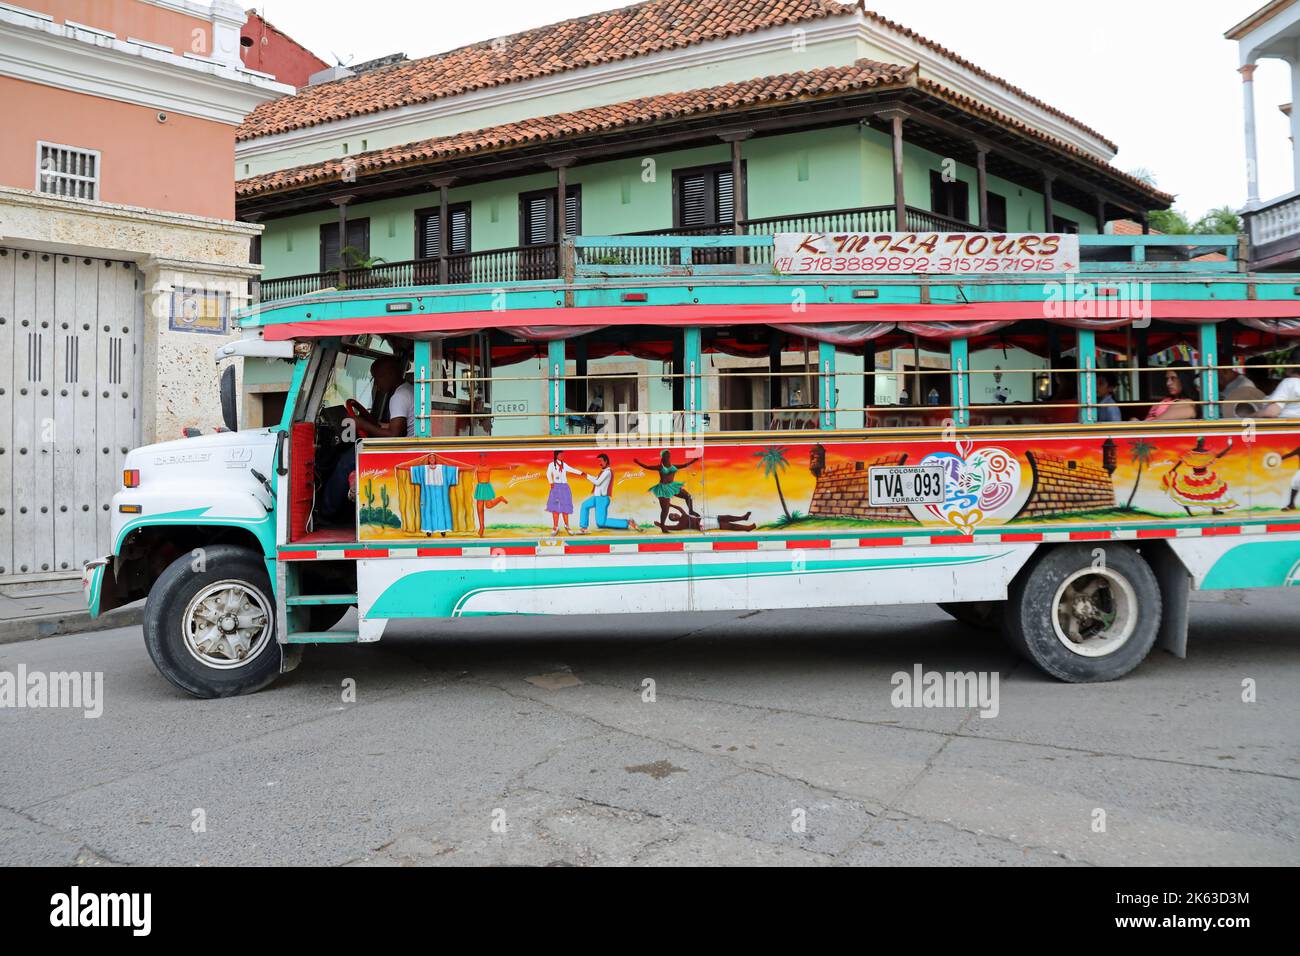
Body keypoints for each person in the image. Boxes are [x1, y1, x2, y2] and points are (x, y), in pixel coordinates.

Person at [322, 356, 413, 521]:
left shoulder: (398, 397)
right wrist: (372, 423)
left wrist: (361, 424)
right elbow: (398, 425)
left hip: (401, 451)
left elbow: (394, 435)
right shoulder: (408, 390)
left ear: (390, 374)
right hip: (406, 446)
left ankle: (327, 512)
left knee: (345, 462)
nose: (377, 384)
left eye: (378, 378)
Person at [633, 449, 700, 530]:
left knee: (688, 496)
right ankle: (663, 526)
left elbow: (685, 465)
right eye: (666, 454)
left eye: (669, 454)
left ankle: (691, 510)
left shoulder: (673, 466)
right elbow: (647, 467)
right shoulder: (660, 467)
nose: (668, 456)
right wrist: (638, 462)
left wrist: (693, 460)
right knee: (665, 509)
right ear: (663, 457)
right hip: (663, 489)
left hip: (672, 486)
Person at [575, 454, 639, 533]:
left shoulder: (607, 472)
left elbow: (597, 482)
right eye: (599, 461)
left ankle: (628, 522)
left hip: (602, 499)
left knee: (601, 523)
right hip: (596, 497)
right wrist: (587, 475)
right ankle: (583, 528)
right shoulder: (603, 472)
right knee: (585, 505)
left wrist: (587, 476)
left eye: (601, 461)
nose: (600, 463)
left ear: (606, 461)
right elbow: (596, 479)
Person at [544, 450, 583, 534]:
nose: (562, 456)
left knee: (565, 507)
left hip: (565, 487)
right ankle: (555, 527)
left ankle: (567, 526)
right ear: (556, 455)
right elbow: (548, 473)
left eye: (563, 454)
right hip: (556, 487)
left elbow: (572, 469)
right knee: (555, 508)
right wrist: (551, 482)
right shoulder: (551, 465)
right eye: (560, 454)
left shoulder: (564, 465)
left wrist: (581, 473)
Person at [1259, 347, 1300, 419]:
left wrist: (1249, 416)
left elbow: (1270, 413)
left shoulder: (1290, 382)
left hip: (1285, 427)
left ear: (1292, 365)